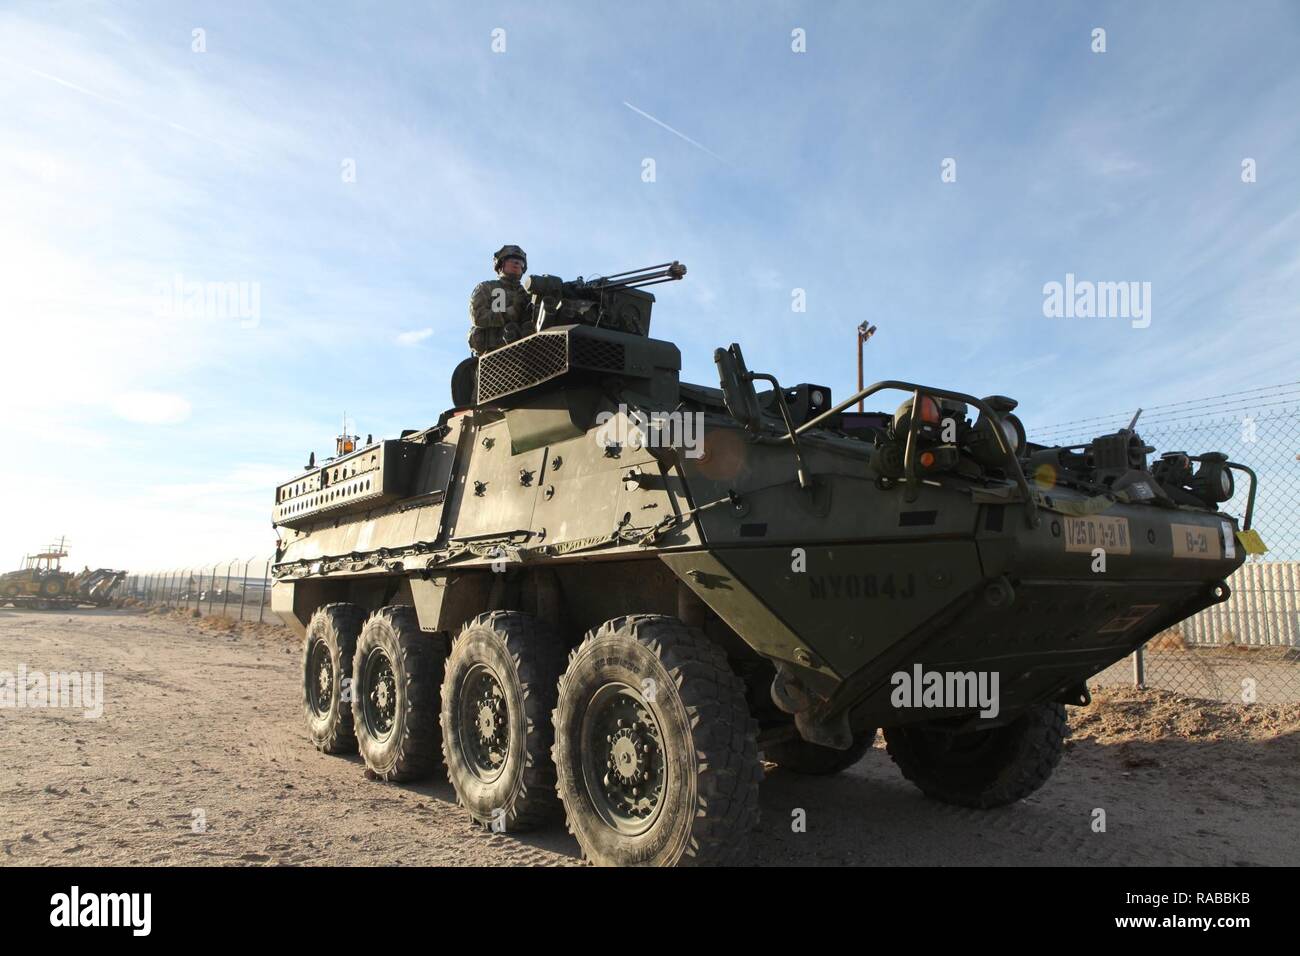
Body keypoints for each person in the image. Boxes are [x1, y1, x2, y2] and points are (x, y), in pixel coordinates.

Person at [467, 244, 533, 356]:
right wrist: (509, 312)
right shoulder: (487, 288)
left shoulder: (527, 294)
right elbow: (478, 317)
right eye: (512, 260)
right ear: (501, 264)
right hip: (492, 355)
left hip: (523, 353)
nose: (517, 264)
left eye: (521, 262)